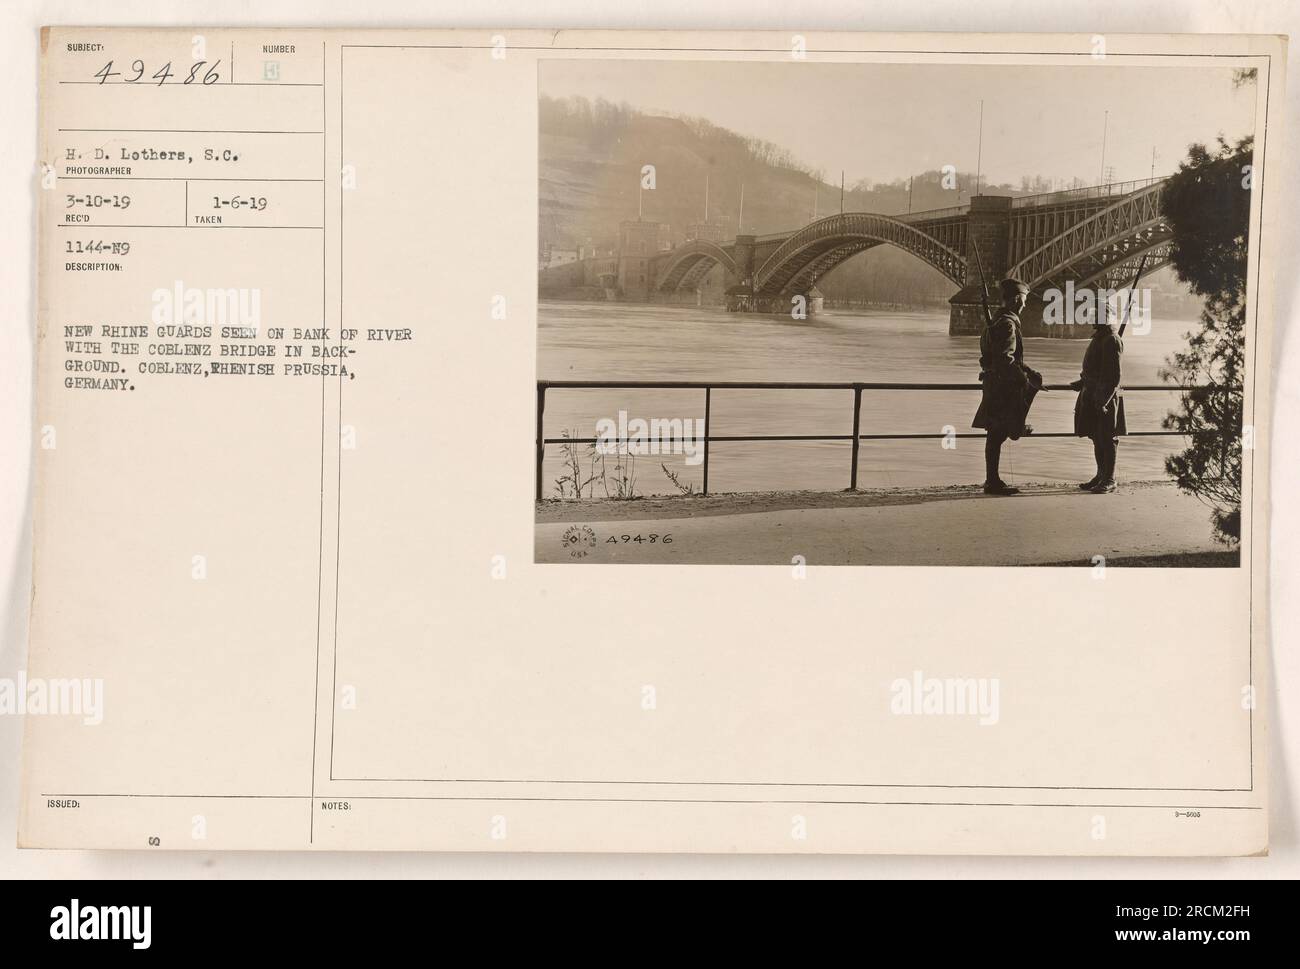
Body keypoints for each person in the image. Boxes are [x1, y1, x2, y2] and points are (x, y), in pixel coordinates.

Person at [972, 277, 1043, 496]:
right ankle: (992, 482)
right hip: (1004, 388)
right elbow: (1006, 358)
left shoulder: (994, 323)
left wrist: (1028, 370)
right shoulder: (1008, 324)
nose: (1024, 305)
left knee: (995, 434)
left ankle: (992, 479)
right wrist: (1023, 378)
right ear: (1014, 299)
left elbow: (992, 357)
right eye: (1022, 300)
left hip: (993, 385)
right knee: (998, 434)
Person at [1070, 307, 1126, 493]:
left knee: (1108, 438)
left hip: (1105, 398)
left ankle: (1109, 479)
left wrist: (1102, 400)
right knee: (1096, 436)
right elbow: (1094, 367)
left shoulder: (1112, 340)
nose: (1093, 318)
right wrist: (1082, 381)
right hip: (1092, 394)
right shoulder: (1100, 338)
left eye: (1097, 315)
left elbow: (1113, 376)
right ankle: (1100, 474)